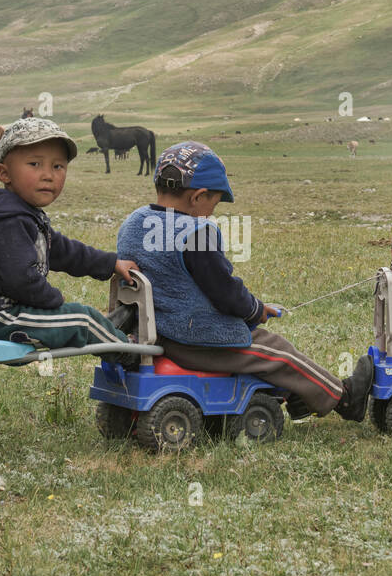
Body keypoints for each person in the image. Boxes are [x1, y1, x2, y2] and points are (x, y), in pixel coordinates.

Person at [116, 141, 374, 421]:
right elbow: (225, 291)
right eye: (213, 204)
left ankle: (299, 396)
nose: (212, 213)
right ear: (198, 196)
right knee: (277, 352)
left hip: (151, 332)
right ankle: (344, 398)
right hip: (193, 339)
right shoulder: (195, 232)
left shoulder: (134, 223)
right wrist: (255, 310)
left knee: (271, 353)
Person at [0, 118, 136, 351]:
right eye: (35, 164)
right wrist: (56, 303)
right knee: (82, 320)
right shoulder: (8, 221)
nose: (48, 175)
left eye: (58, 166)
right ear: (4, 173)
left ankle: (114, 336)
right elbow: (22, 281)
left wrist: (110, 263)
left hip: (9, 312)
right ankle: (133, 356)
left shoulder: (24, 214)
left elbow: (63, 251)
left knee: (81, 318)